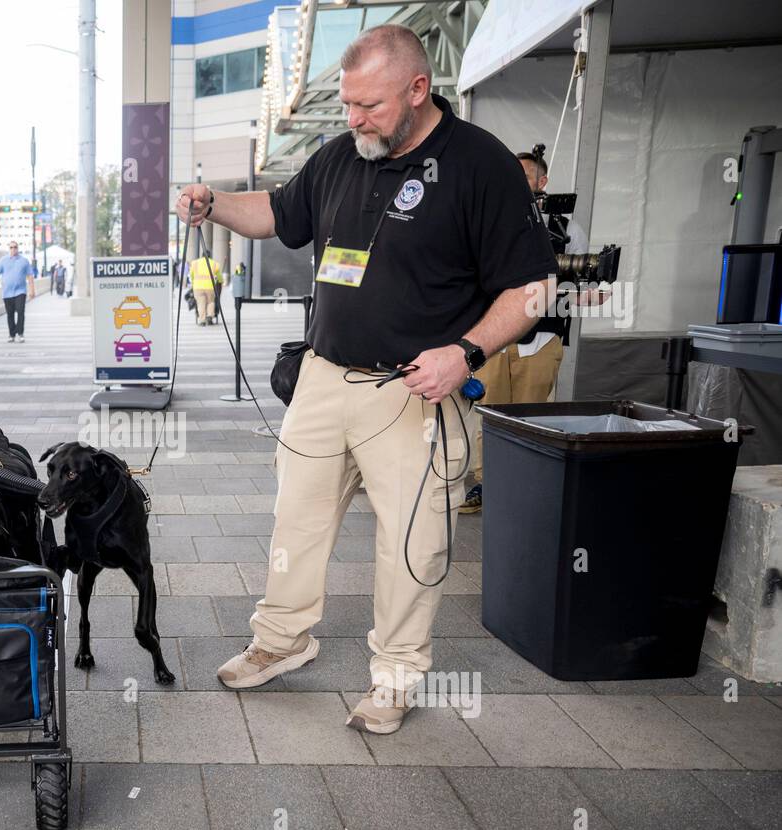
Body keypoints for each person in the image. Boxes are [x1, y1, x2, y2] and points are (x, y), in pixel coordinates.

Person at [175, 24, 555, 735]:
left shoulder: (480, 165)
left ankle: (397, 674)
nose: (354, 120)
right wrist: (215, 203)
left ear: (419, 89)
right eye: (348, 105)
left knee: (413, 544)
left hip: (417, 389)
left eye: (369, 106)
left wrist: (465, 353)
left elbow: (533, 290)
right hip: (323, 379)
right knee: (297, 519)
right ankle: (283, 640)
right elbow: (279, 213)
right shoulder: (344, 152)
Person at [460, 148, 593, 514]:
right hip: (492, 338)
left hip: (542, 339)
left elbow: (578, 283)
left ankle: (528, 486)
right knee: (488, 412)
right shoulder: (487, 217)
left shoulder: (568, 229)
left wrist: (587, 294)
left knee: (532, 416)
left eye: (525, 175)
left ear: (542, 182)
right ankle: (487, 485)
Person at [0, 242, 37, 342]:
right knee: (10, 314)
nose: (13, 249)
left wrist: (32, 290)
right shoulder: (3, 261)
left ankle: (20, 333)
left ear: (18, 248)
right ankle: (11, 335)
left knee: (21, 311)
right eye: (11, 247)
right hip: (7, 293)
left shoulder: (24, 261)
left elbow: (30, 276)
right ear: (9, 249)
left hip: (20, 291)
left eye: (15, 247)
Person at [190, 251, 222, 324]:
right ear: (210, 256)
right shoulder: (214, 264)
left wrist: (193, 282)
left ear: (202, 256)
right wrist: (220, 281)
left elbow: (191, 275)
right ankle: (210, 317)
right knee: (210, 302)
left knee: (201, 303)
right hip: (210, 287)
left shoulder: (195, 263)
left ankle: (202, 320)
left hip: (198, 287)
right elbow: (220, 278)